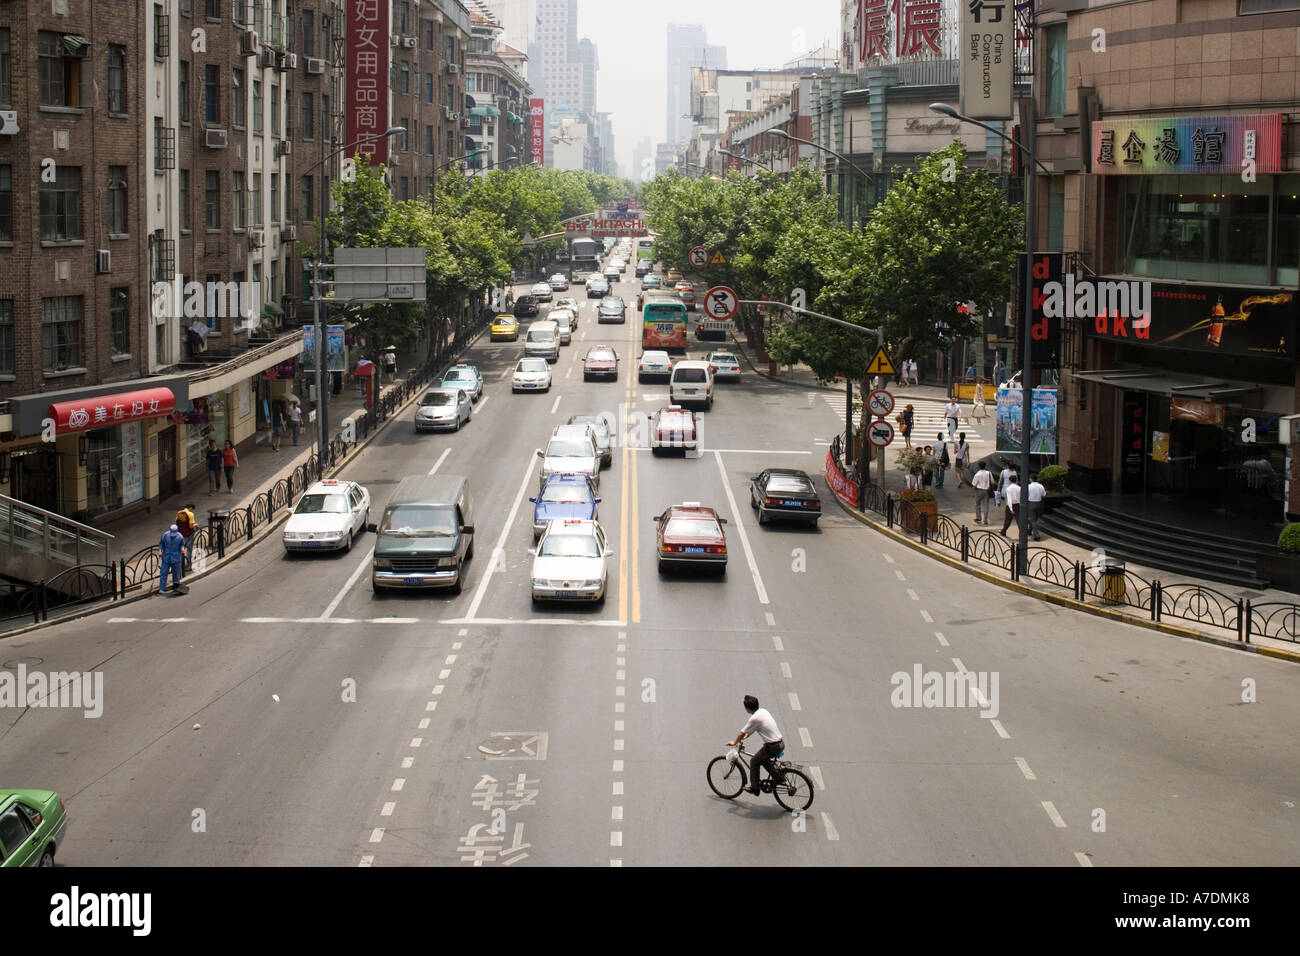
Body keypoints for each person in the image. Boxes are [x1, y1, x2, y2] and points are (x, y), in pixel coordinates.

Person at [726, 695, 785, 797]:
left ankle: (755, 788)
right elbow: (755, 728)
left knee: (754, 761)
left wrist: (735, 742)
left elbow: (741, 733)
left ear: (747, 708)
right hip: (780, 743)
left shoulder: (754, 718)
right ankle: (778, 777)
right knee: (762, 759)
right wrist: (747, 735)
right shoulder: (763, 711)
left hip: (772, 746)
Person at [159, 524, 187, 596]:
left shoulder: (180, 537)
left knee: (176, 573)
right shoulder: (165, 535)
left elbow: (182, 544)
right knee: (163, 572)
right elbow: (161, 543)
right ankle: (162, 588)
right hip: (166, 557)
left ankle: (176, 587)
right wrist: (160, 550)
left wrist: (182, 549)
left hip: (176, 557)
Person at [175, 504, 197, 573]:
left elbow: (177, 524)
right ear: (190, 508)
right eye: (192, 509)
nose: (192, 510)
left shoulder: (178, 513)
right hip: (189, 534)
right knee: (189, 549)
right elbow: (191, 526)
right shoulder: (190, 514)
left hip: (181, 535)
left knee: (182, 549)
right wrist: (195, 525)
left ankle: (181, 565)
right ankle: (188, 565)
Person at [1026, 471, 1046, 541]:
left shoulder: (1028, 486)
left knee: (1032, 520)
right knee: (1035, 519)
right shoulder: (1041, 486)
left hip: (1031, 503)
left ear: (1031, 479)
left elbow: (1026, 495)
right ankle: (1029, 530)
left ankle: (1036, 535)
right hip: (1039, 503)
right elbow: (1044, 495)